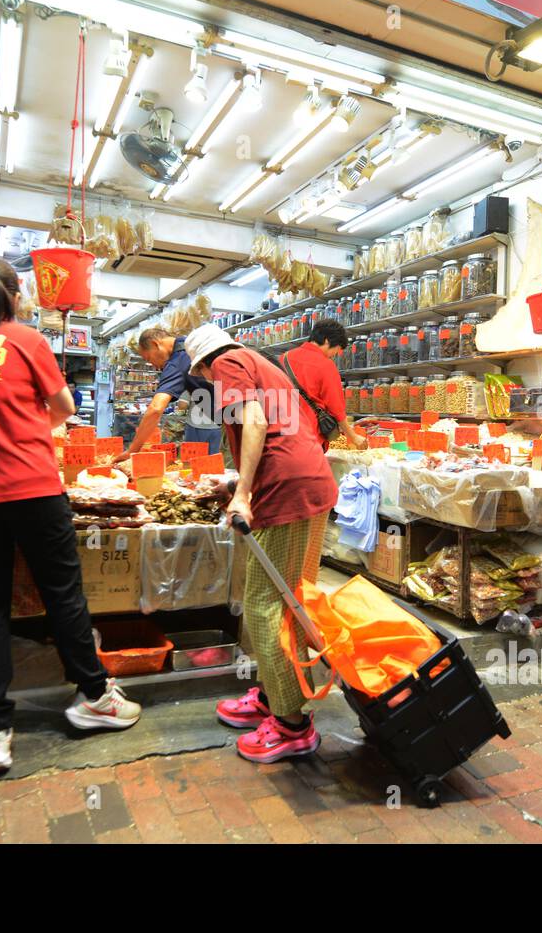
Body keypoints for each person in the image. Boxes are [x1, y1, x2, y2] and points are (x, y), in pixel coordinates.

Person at [0, 256, 141, 777]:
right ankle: (94, 697)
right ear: (15, 296)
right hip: (33, 488)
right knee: (62, 593)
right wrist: (25, 421)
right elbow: (63, 408)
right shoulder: (27, 340)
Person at [181, 324, 339, 763]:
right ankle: (274, 697)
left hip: (286, 491)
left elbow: (255, 421)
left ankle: (292, 725)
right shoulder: (259, 362)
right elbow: (282, 430)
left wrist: (244, 493)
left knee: (265, 605)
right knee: (289, 599)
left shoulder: (228, 363)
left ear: (204, 364)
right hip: (307, 482)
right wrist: (236, 484)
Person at [121, 327, 220, 457]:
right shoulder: (187, 344)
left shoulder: (177, 361)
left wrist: (132, 450)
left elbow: (156, 409)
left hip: (230, 420)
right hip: (233, 416)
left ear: (155, 344)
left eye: (149, 359)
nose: (154, 365)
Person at [281, 318, 368, 453]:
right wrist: (353, 437)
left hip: (280, 434)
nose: (333, 355)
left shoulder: (284, 358)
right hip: (309, 438)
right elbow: (336, 408)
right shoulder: (325, 365)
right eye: (336, 350)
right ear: (327, 341)